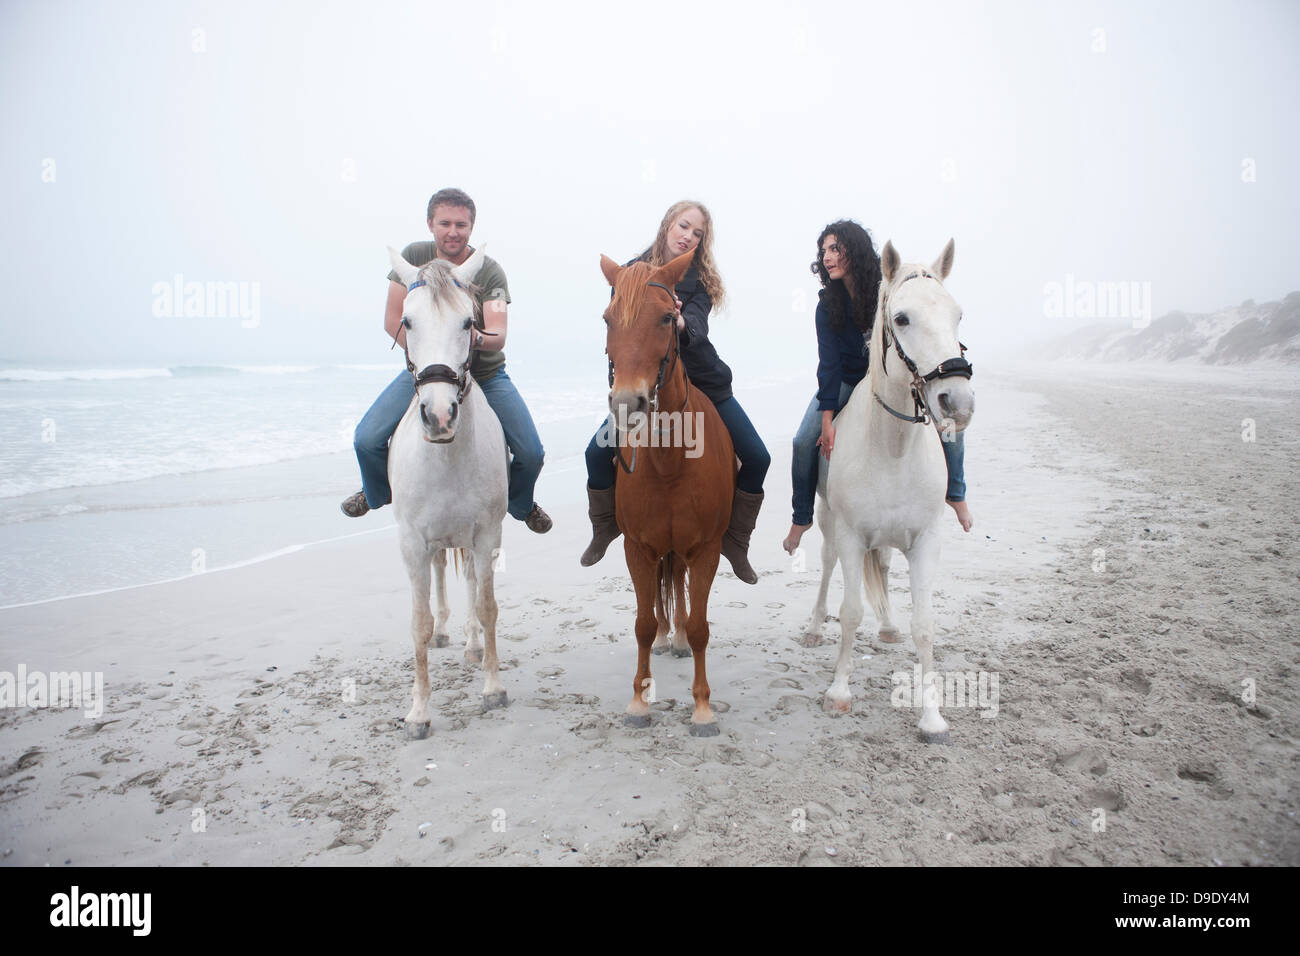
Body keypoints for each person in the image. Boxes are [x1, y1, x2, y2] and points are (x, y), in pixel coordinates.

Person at [340, 187, 551, 532]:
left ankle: (520, 503)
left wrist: (466, 338)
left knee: (531, 453)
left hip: (485, 374)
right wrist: (433, 353)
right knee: (366, 440)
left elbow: (498, 336)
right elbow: (392, 320)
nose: (453, 231)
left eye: (461, 225)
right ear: (430, 224)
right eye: (445, 223)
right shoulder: (412, 258)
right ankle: (378, 493)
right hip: (427, 373)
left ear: (472, 227)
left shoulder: (489, 271)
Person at [580, 200, 770, 583]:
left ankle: (735, 540)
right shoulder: (632, 271)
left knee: (757, 456)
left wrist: (680, 320)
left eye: (698, 233)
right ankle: (604, 529)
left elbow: (697, 324)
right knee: (595, 453)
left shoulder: (700, 281)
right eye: (684, 226)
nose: (688, 236)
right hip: (648, 384)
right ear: (668, 224)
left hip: (703, 381)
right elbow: (621, 323)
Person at [781, 220, 972, 556]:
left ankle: (956, 493)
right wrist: (827, 418)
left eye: (835, 249)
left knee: (950, 424)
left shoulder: (886, 291)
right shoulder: (827, 305)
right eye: (823, 251)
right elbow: (828, 364)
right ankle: (802, 516)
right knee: (800, 441)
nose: (827, 257)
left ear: (853, 250)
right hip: (845, 380)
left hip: (889, 378)